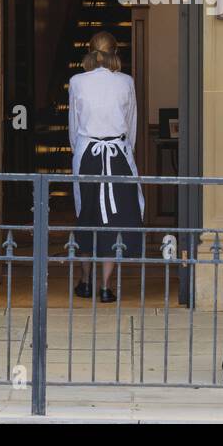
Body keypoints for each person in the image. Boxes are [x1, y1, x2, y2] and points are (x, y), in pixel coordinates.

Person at [68, 30, 142, 303]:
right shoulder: (126, 82)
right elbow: (131, 123)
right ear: (115, 53)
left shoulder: (77, 81)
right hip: (118, 154)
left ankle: (85, 281)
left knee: (86, 215)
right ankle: (105, 286)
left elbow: (74, 126)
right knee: (115, 220)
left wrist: (79, 153)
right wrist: (126, 151)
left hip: (88, 152)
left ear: (89, 52)